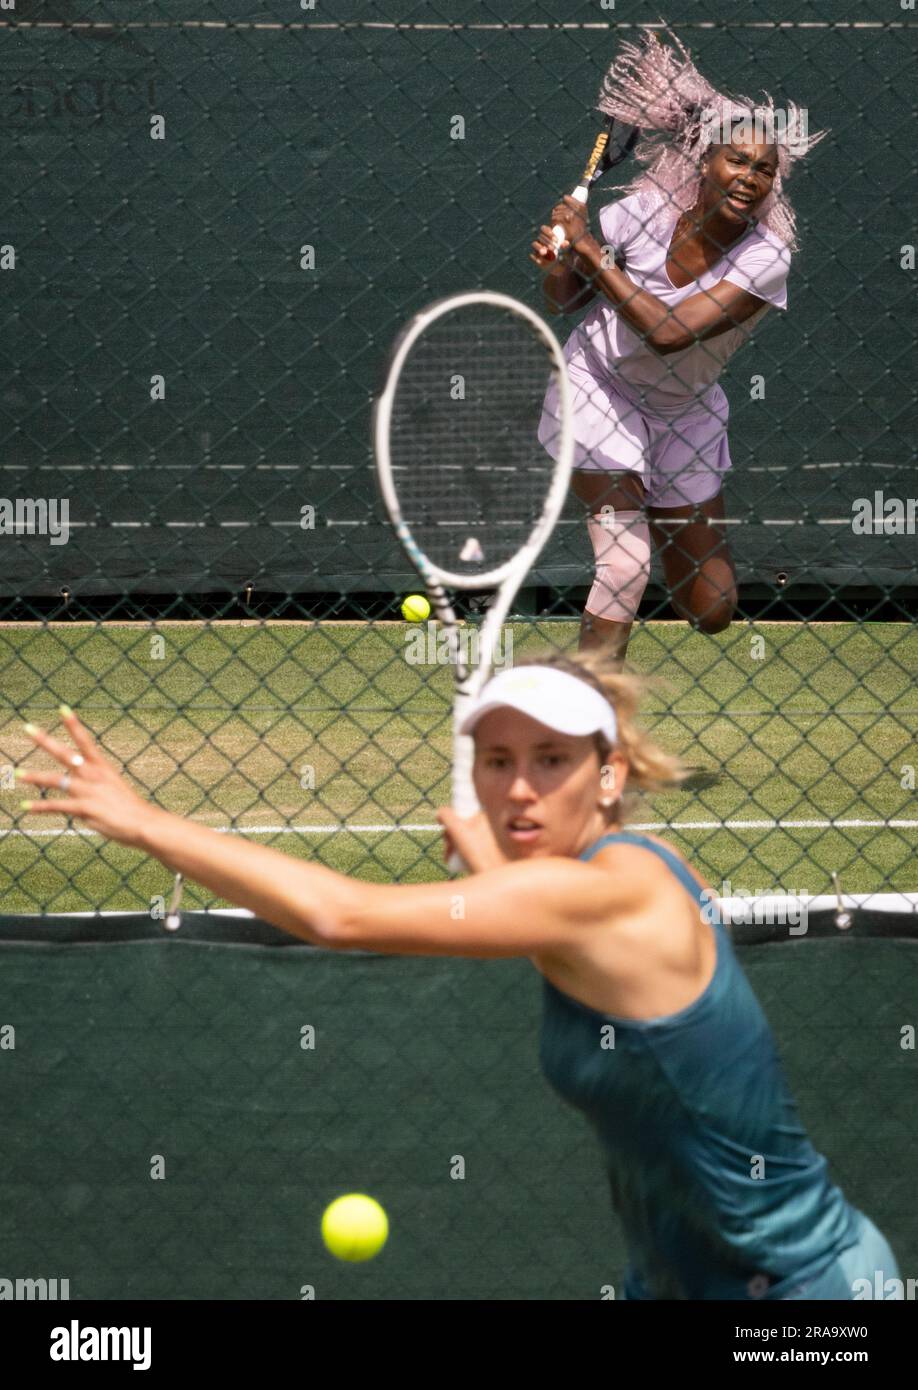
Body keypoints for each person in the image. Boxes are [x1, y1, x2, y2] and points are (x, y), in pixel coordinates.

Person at [17, 652, 897, 1300]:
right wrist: (498, 880)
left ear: (609, 774)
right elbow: (577, 945)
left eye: (551, 760)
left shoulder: (598, 894)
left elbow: (341, 916)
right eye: (499, 760)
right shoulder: (648, 863)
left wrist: (144, 823)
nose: (518, 790)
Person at [531, 30, 826, 666]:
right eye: (738, 161)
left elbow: (669, 332)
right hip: (598, 387)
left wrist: (586, 249)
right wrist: (559, 252)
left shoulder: (768, 259)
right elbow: (565, 297)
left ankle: (657, 531)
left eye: (765, 169)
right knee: (625, 563)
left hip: (685, 413)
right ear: (704, 161)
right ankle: (591, 730)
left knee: (713, 608)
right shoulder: (642, 212)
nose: (751, 177)